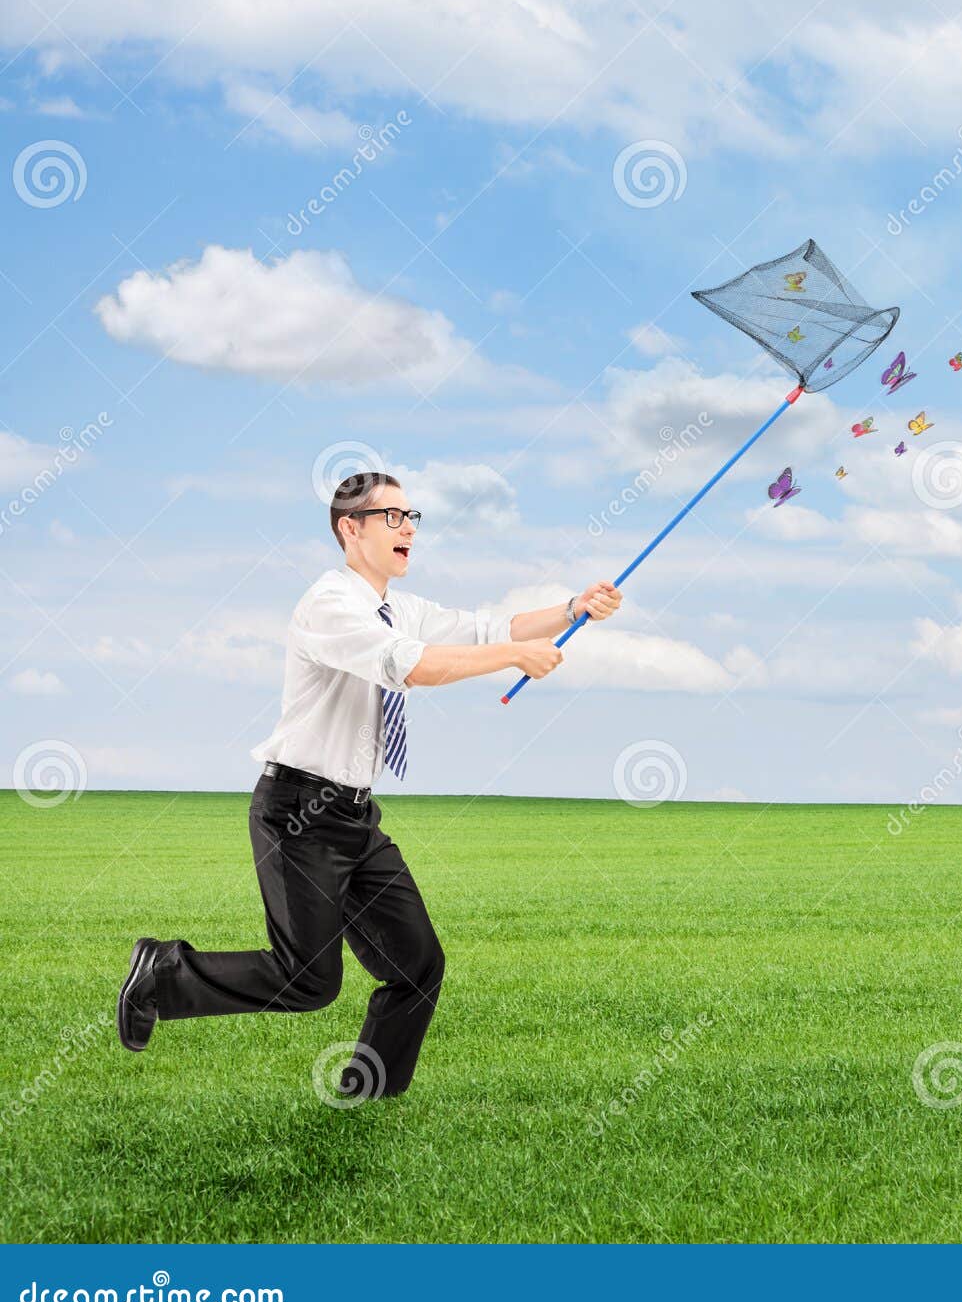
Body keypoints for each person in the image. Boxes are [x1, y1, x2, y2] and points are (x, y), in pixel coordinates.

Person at [115, 470, 621, 1100]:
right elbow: (410, 666)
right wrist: (516, 660)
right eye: (393, 517)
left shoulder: (399, 607)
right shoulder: (330, 605)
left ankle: (369, 1095)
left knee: (418, 966)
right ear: (348, 529)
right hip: (299, 812)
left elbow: (487, 628)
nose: (409, 527)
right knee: (307, 981)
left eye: (413, 517)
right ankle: (163, 974)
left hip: (355, 816)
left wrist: (572, 609)